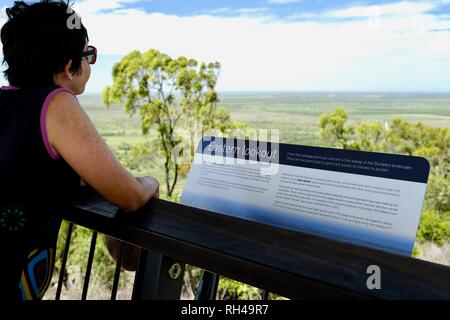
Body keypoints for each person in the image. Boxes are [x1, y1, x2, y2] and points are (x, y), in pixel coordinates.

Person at [0, 0, 159, 300]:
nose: (89, 63)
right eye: (87, 54)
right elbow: (130, 196)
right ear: (68, 67)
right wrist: (151, 181)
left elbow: (25, 167)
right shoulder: (57, 103)